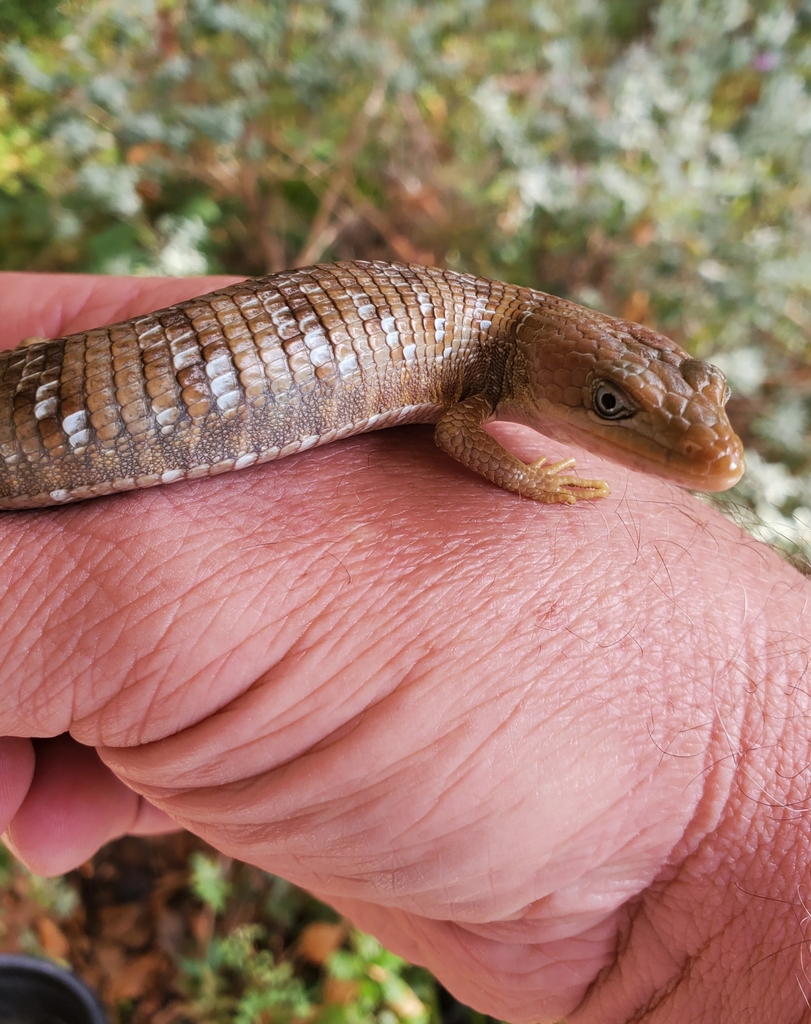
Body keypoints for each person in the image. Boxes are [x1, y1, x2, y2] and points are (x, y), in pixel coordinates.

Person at [1, 272, 809, 1024]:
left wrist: (692, 859)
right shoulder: (490, 367)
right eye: (607, 402)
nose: (714, 450)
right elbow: (463, 433)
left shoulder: (503, 346)